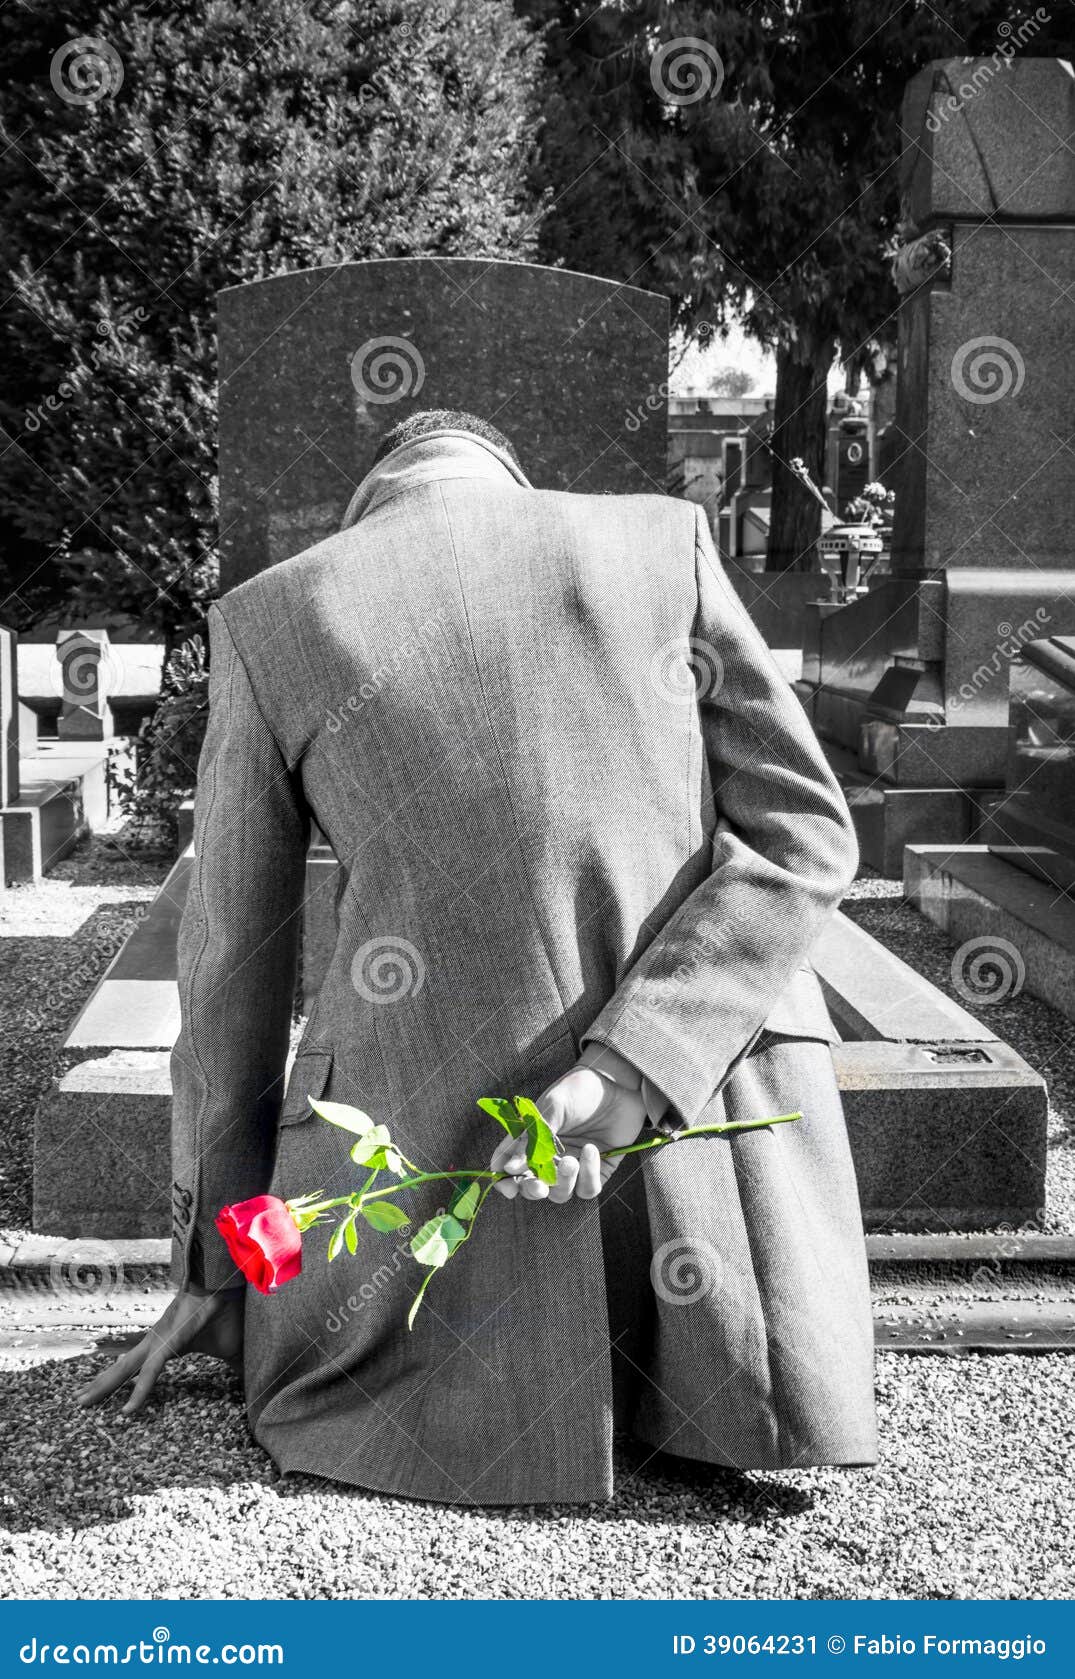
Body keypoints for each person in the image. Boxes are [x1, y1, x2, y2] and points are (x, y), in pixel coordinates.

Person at [79, 410, 876, 1503]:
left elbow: (230, 979)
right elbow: (805, 836)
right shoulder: (664, 541)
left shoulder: (272, 617)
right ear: (506, 473)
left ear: (376, 497)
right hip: (706, 1235)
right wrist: (632, 1063)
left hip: (408, 1248)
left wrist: (220, 1272)